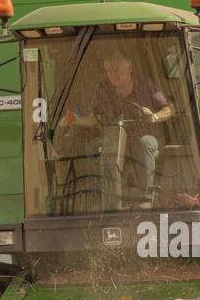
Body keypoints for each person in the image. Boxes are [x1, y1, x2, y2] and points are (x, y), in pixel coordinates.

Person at [62, 51, 174, 207]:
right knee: (92, 147)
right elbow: (95, 118)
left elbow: (169, 109)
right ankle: (98, 197)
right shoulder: (102, 89)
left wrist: (154, 116)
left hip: (141, 135)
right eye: (109, 71)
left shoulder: (146, 86)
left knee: (145, 144)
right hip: (112, 138)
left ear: (130, 69)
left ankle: (147, 198)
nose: (112, 75)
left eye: (117, 70)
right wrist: (75, 120)